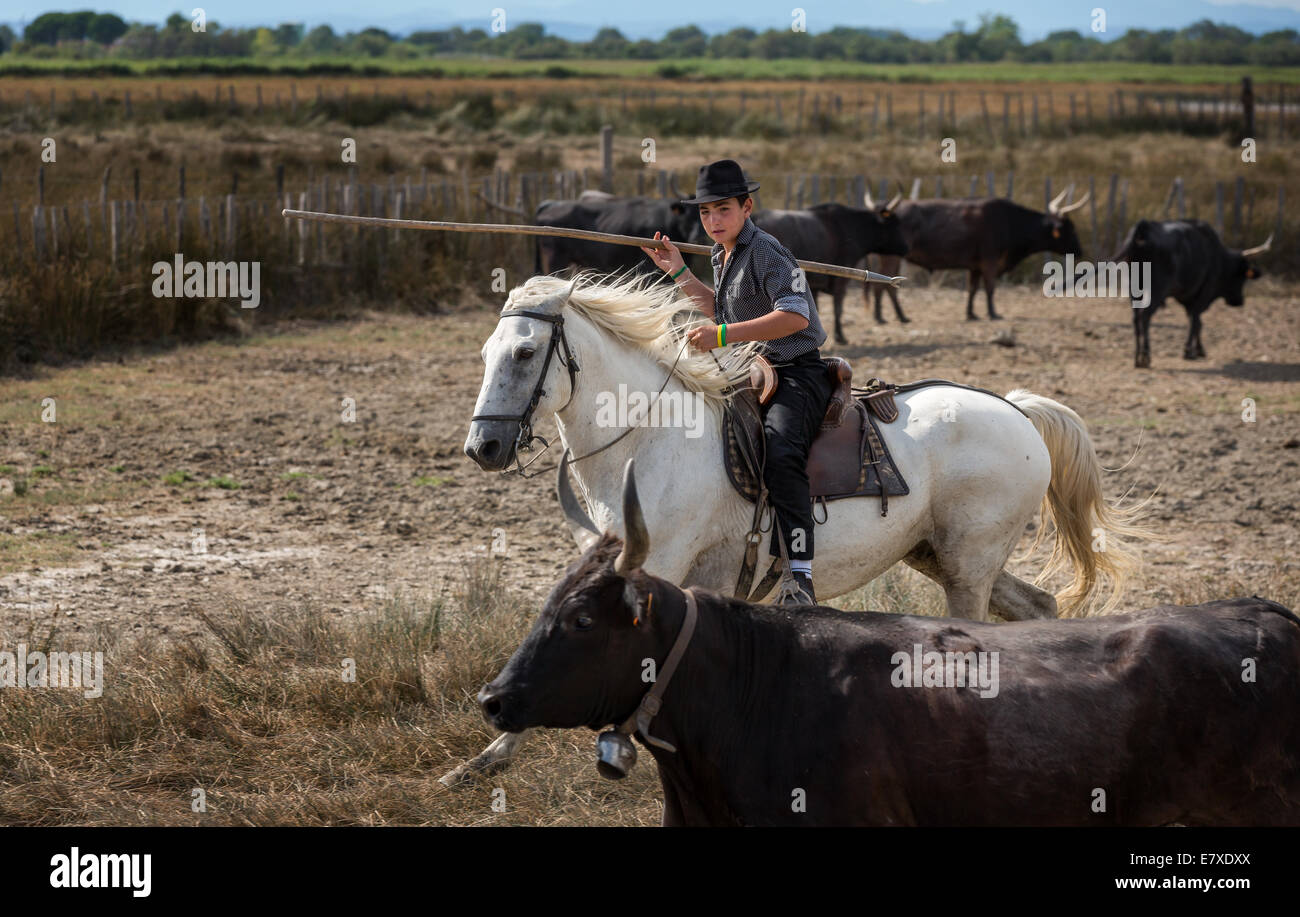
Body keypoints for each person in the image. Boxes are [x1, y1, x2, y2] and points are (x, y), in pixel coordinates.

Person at [641, 159, 832, 606]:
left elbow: (794, 315)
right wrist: (678, 272)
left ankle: (800, 577)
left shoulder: (767, 251)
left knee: (780, 452)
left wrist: (721, 337)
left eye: (723, 209)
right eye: (705, 212)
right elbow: (726, 311)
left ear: (747, 207)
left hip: (795, 371)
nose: (713, 221)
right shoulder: (720, 251)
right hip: (749, 368)